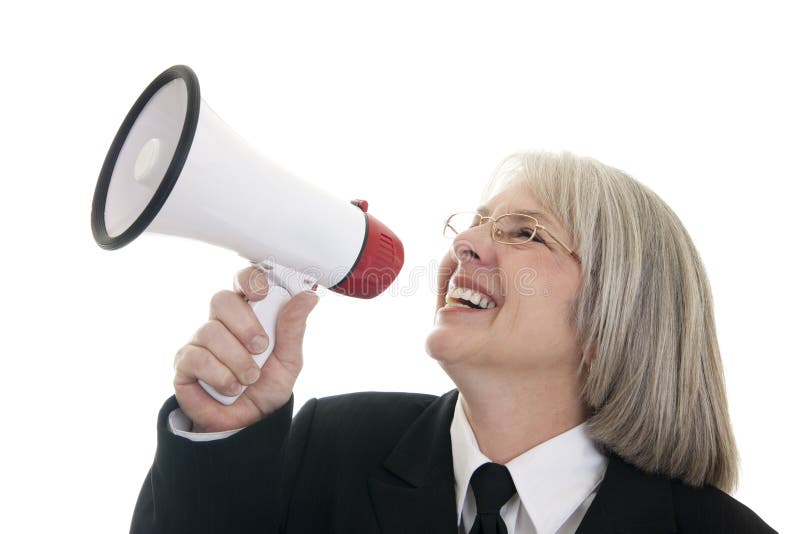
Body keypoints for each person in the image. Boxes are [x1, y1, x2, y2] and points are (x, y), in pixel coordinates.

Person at [131, 151, 776, 533]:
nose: (464, 244)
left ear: (615, 319)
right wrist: (220, 437)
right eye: (472, 226)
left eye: (525, 234)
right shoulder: (324, 447)